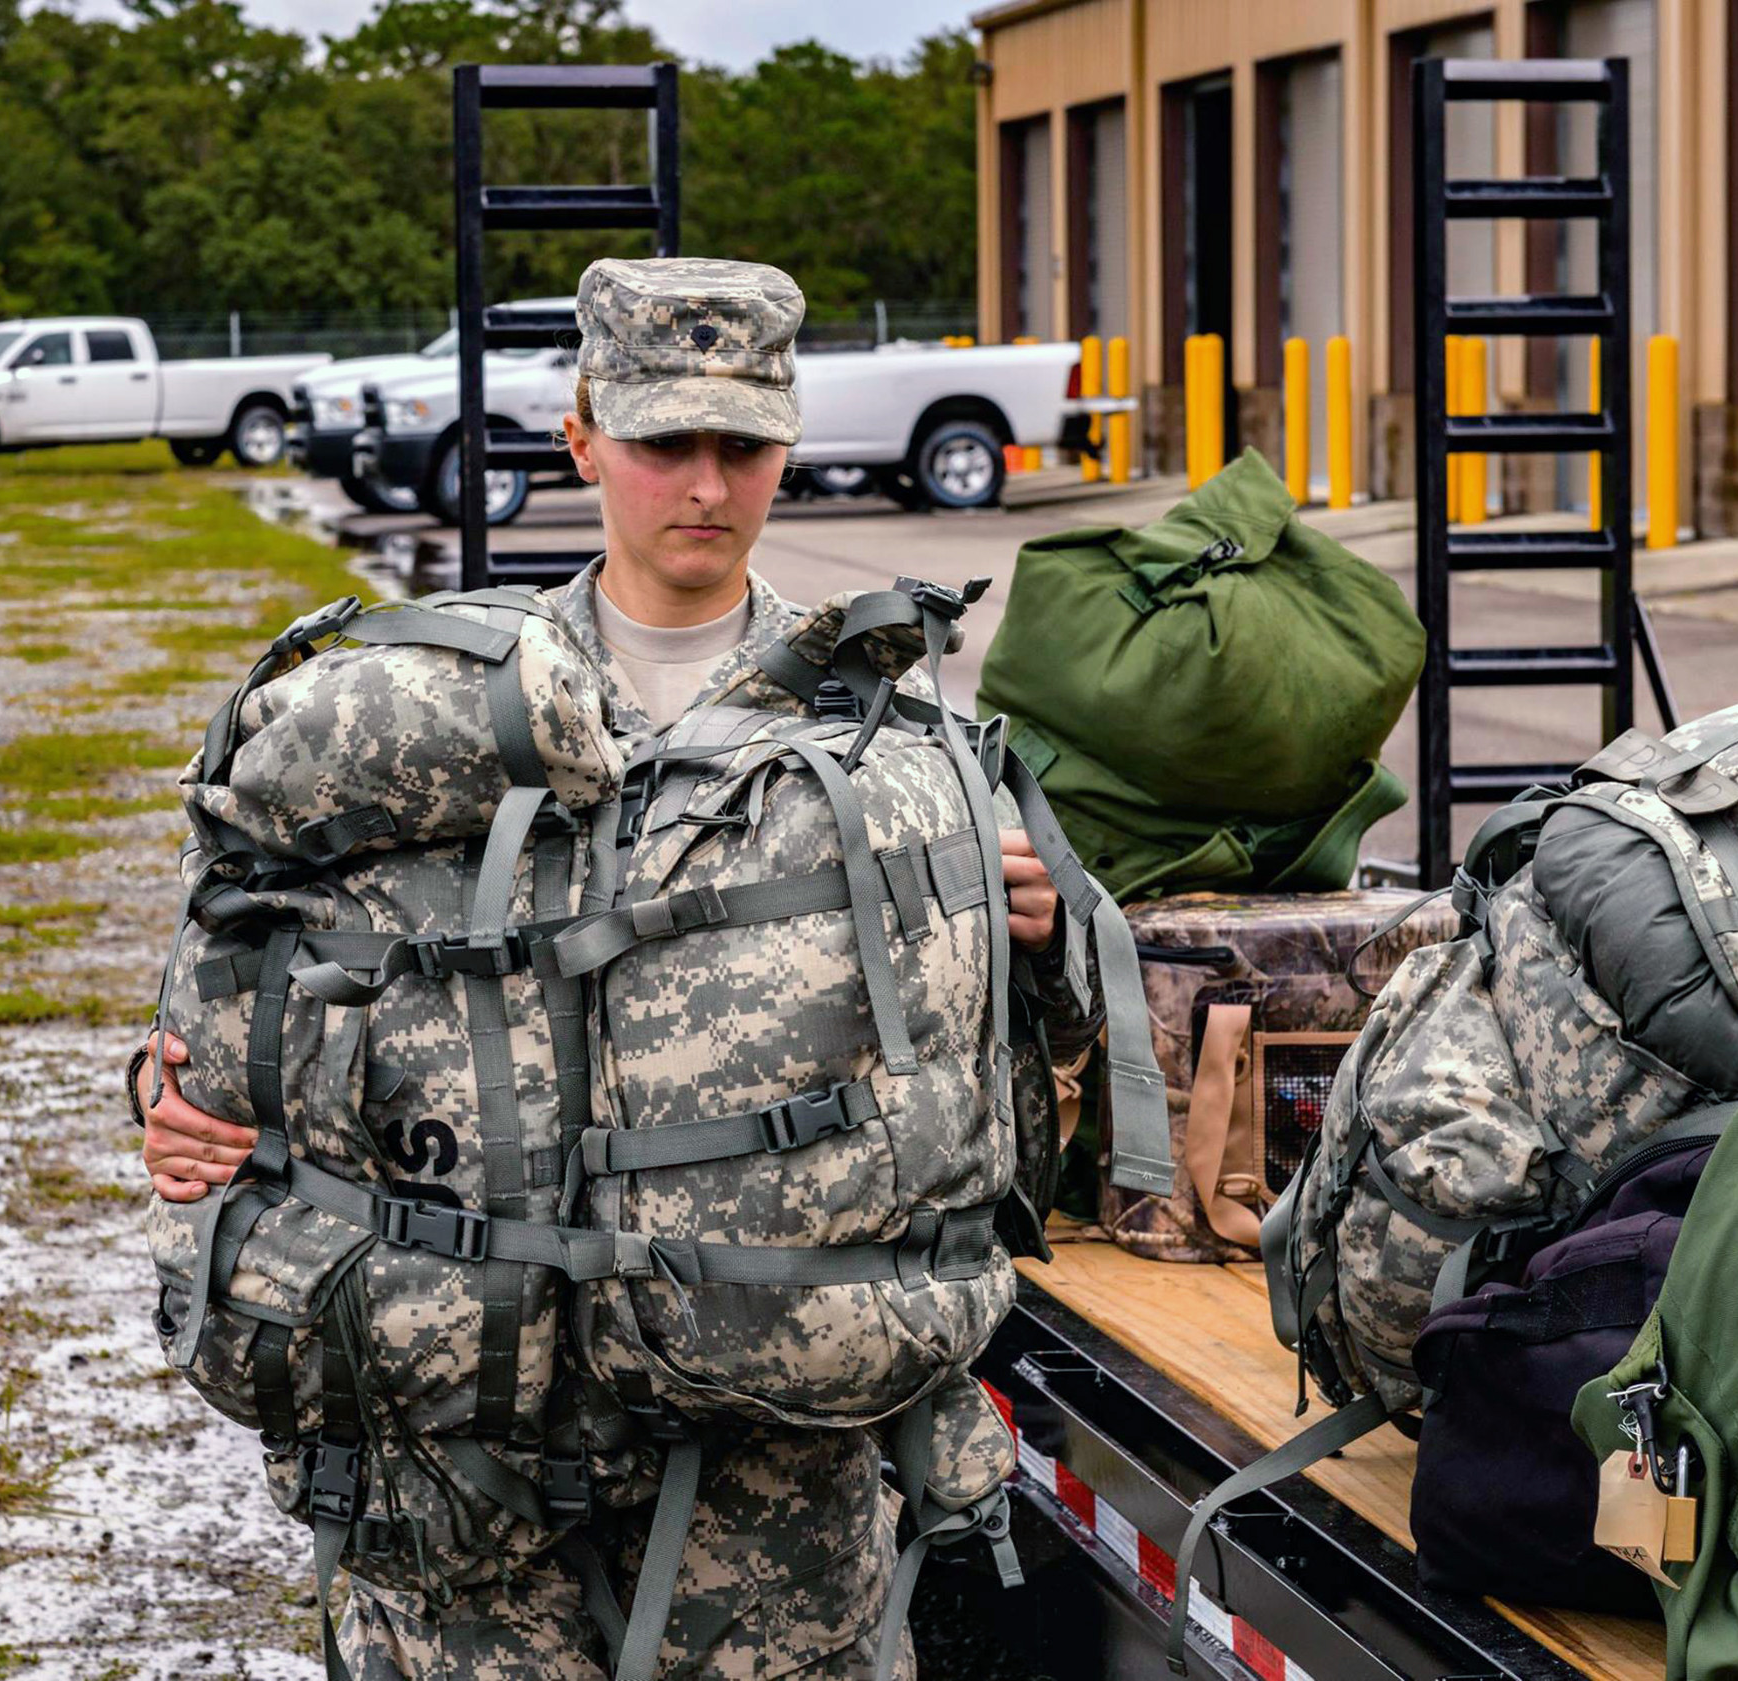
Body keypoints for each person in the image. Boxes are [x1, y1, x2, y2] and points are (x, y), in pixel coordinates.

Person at [134, 256, 1102, 1679]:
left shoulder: (892, 740)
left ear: (788, 444)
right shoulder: (439, 711)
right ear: (583, 436)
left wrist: (1037, 945)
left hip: (772, 1515)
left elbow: (1009, 1127)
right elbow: (242, 947)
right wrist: (172, 1104)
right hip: (470, 1501)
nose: (703, 485)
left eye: (741, 445)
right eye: (663, 443)